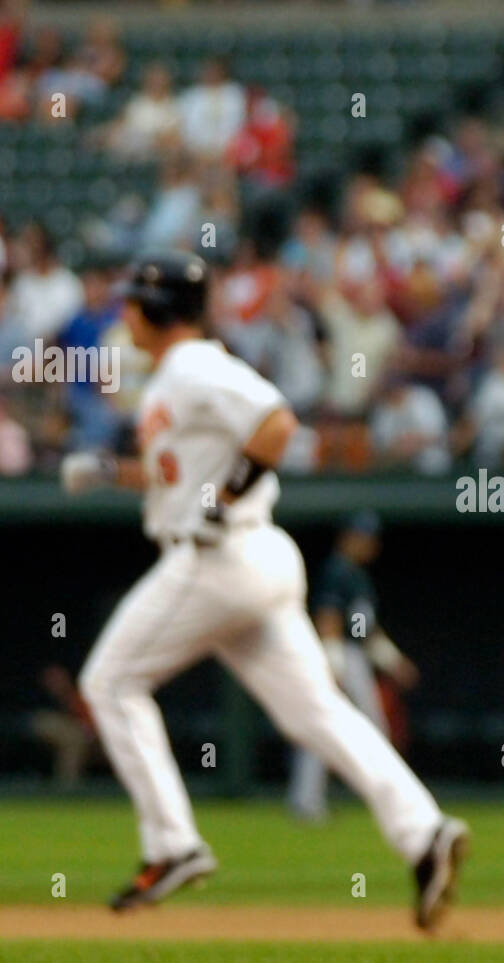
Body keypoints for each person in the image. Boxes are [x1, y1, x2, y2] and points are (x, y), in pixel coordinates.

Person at [60, 250, 468, 925]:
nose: (125, 312)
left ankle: (173, 844)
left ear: (158, 309)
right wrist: (111, 471)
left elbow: (276, 423)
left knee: (109, 682)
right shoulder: (174, 377)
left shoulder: (194, 364)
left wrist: (223, 499)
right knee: (318, 713)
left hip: (218, 558)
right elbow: (177, 477)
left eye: (134, 301)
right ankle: (424, 831)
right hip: (253, 561)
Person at [288, 512, 419, 822]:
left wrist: (393, 661)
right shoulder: (337, 571)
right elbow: (329, 619)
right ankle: (309, 800)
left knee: (357, 726)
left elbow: (366, 631)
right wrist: (333, 663)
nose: (369, 544)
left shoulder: (358, 576)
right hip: (339, 654)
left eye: (371, 538)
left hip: (355, 655)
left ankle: (381, 798)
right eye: (363, 537)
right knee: (339, 725)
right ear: (347, 537)